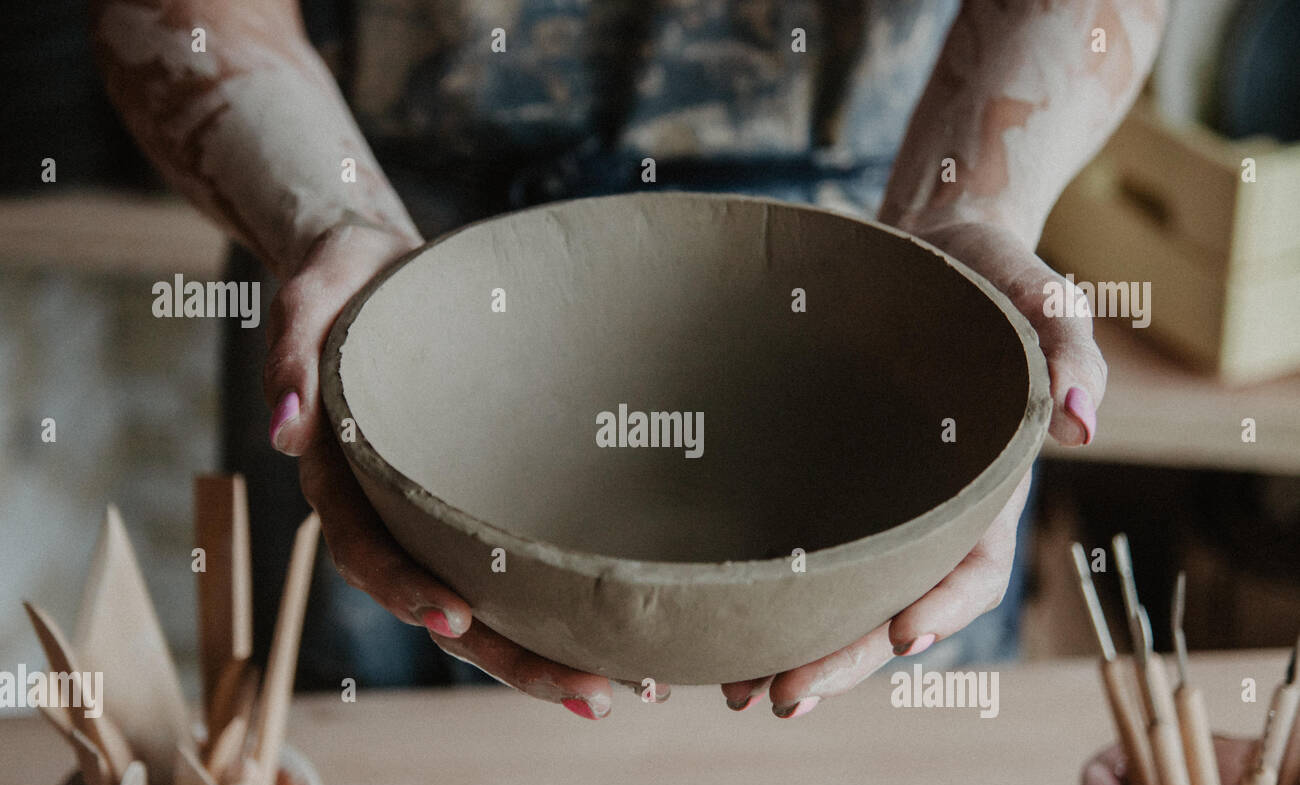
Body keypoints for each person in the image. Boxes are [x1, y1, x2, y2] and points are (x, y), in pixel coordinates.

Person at [91, 0, 1165, 718]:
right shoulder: (371, 274)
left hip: (879, 292)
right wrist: (331, 222)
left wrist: (969, 205)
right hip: (390, 274)